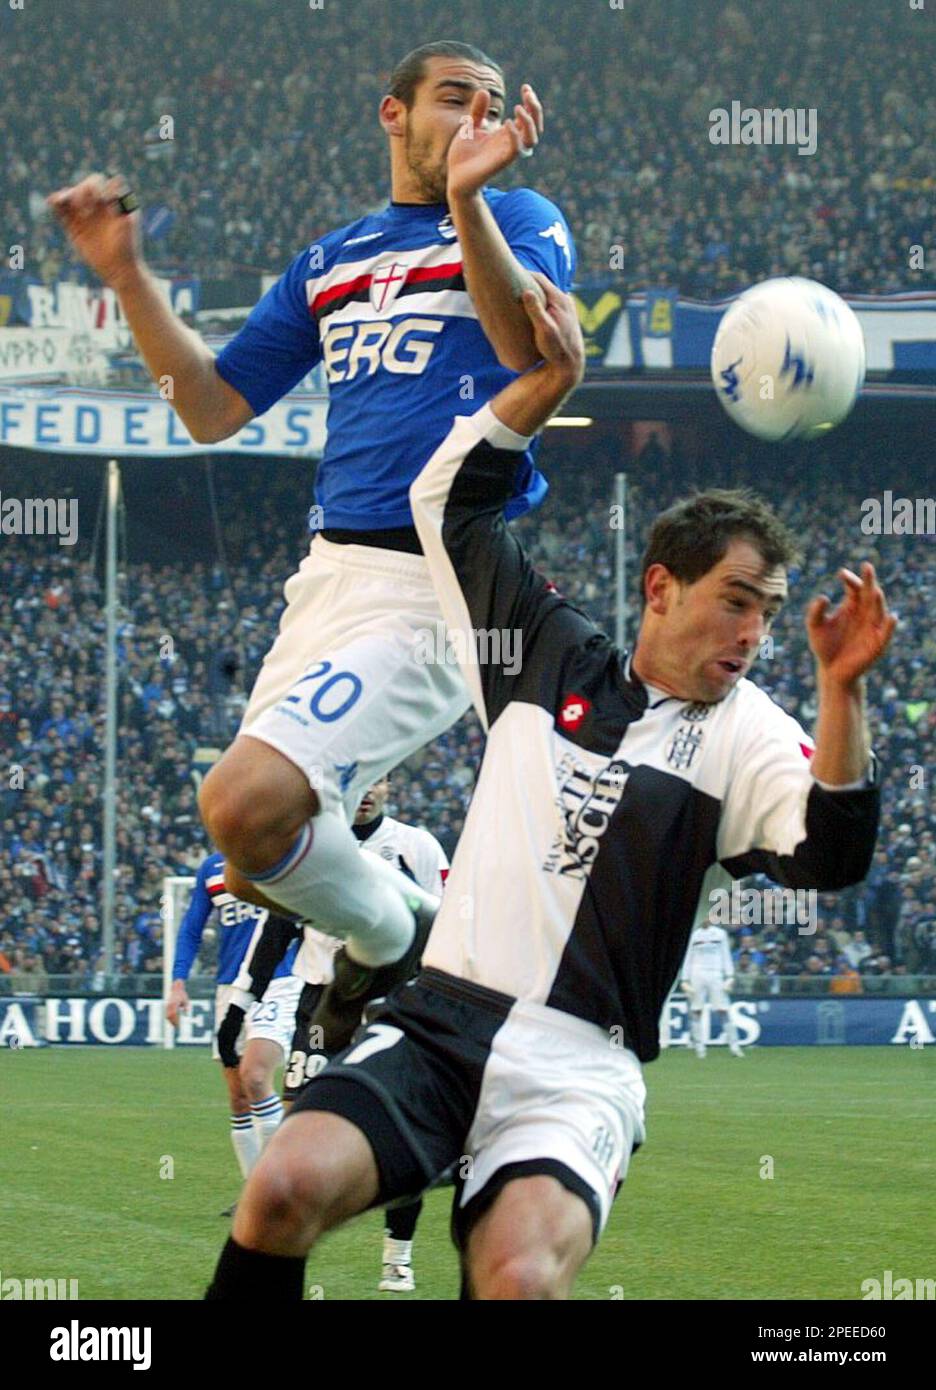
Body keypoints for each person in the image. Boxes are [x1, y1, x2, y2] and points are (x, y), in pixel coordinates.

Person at [205, 278, 895, 1300]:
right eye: (736, 601)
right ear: (661, 586)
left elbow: (833, 855)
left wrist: (842, 693)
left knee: (519, 1276)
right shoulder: (542, 650)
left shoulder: (750, 733)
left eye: (769, 609)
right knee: (280, 1188)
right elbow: (448, 502)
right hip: (441, 1023)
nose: (755, 633)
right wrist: (548, 379)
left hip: (577, 1067)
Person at [48, 40, 575, 1031]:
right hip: (328, 576)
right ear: (392, 113)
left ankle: (397, 938)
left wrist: (469, 200)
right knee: (256, 856)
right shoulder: (331, 260)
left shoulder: (522, 218)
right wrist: (126, 275)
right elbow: (209, 408)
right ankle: (405, 933)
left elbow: (522, 350)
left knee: (246, 802)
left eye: (492, 103)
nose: (475, 114)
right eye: (453, 96)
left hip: (436, 577)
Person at [219, 774, 449, 1292]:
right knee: (297, 1129)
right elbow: (276, 930)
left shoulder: (417, 847)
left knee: (401, 1123)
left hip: (393, 1004)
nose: (367, 791)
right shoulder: (314, 847)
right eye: (359, 781)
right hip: (321, 1003)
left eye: (378, 780)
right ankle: (281, 1249)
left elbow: (448, 921)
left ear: (391, 785)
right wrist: (241, 1005)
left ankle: (397, 1256)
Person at [166, 852, 300, 1198]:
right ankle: (253, 1195)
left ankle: (276, 1191)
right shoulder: (211, 869)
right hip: (229, 987)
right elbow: (191, 929)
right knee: (239, 1097)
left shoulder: (279, 853)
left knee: (255, 1077)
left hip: (277, 980)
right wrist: (178, 982)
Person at [679, 912, 742, 1057]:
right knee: (696, 1010)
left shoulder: (720, 934)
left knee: (723, 1009)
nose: (705, 920)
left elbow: (726, 955)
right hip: (697, 974)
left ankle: (734, 1046)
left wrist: (730, 975)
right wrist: (685, 979)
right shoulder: (694, 935)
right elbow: (688, 957)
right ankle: (699, 1048)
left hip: (715, 974)